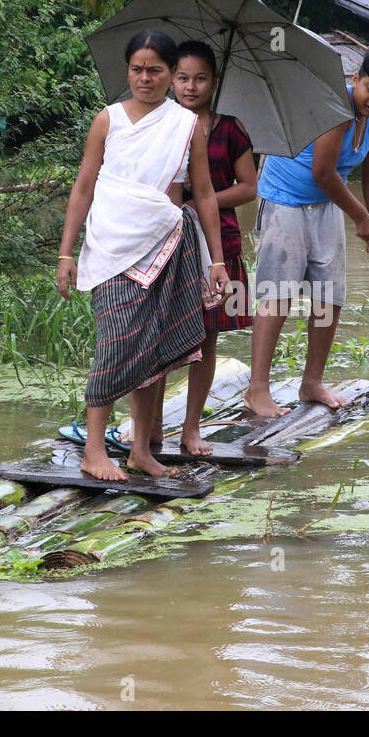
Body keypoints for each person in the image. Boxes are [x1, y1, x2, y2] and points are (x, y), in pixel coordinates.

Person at [56, 30, 230, 481]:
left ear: (172, 75)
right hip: (110, 246)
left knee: (153, 346)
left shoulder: (187, 125)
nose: (145, 78)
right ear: (127, 70)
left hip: (167, 244)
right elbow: (84, 186)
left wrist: (217, 260)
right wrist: (65, 253)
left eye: (155, 70)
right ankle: (94, 450)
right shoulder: (107, 120)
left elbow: (206, 194)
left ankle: (139, 450)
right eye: (137, 69)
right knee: (114, 343)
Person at [243, 47, 369, 417]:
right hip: (285, 199)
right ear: (356, 79)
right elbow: (323, 173)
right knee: (278, 294)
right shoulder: (335, 110)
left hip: (326, 205)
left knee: (329, 296)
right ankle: (257, 390)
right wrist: (361, 218)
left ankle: (311, 382)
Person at [164, 39, 257, 455]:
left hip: (220, 246)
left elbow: (249, 188)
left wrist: (201, 201)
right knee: (160, 336)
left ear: (213, 82)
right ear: (170, 80)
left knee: (206, 338)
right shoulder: (158, 127)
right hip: (166, 248)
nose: (190, 87)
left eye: (200, 78)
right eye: (182, 78)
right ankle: (145, 429)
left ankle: (191, 429)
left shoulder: (230, 129)